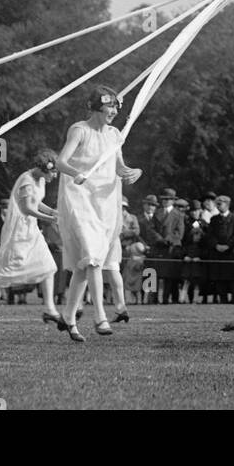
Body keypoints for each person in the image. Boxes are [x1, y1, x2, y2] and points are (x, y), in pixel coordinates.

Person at [55, 86, 141, 341]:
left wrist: (133, 171)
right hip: (79, 198)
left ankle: (69, 318)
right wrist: (76, 173)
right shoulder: (79, 129)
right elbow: (61, 162)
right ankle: (100, 317)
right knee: (93, 257)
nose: (114, 111)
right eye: (109, 106)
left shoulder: (115, 135)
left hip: (105, 202)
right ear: (96, 107)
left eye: (116, 107)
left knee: (85, 266)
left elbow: (118, 166)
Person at [0, 149, 64, 325]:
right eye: (54, 171)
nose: (55, 176)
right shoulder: (27, 181)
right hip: (18, 231)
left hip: (32, 230)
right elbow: (27, 208)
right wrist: (51, 219)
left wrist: (51, 211)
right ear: (45, 168)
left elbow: (36, 202)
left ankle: (50, 309)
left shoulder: (40, 179)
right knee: (7, 269)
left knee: (49, 266)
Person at [152, 188, 185, 304]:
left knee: (169, 276)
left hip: (171, 248)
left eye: (168, 199)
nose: (166, 201)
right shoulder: (157, 212)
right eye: (164, 199)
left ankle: (166, 299)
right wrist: (159, 239)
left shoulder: (178, 215)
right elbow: (151, 229)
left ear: (173, 201)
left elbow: (179, 232)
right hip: (159, 247)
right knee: (155, 274)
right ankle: (153, 299)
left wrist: (168, 239)